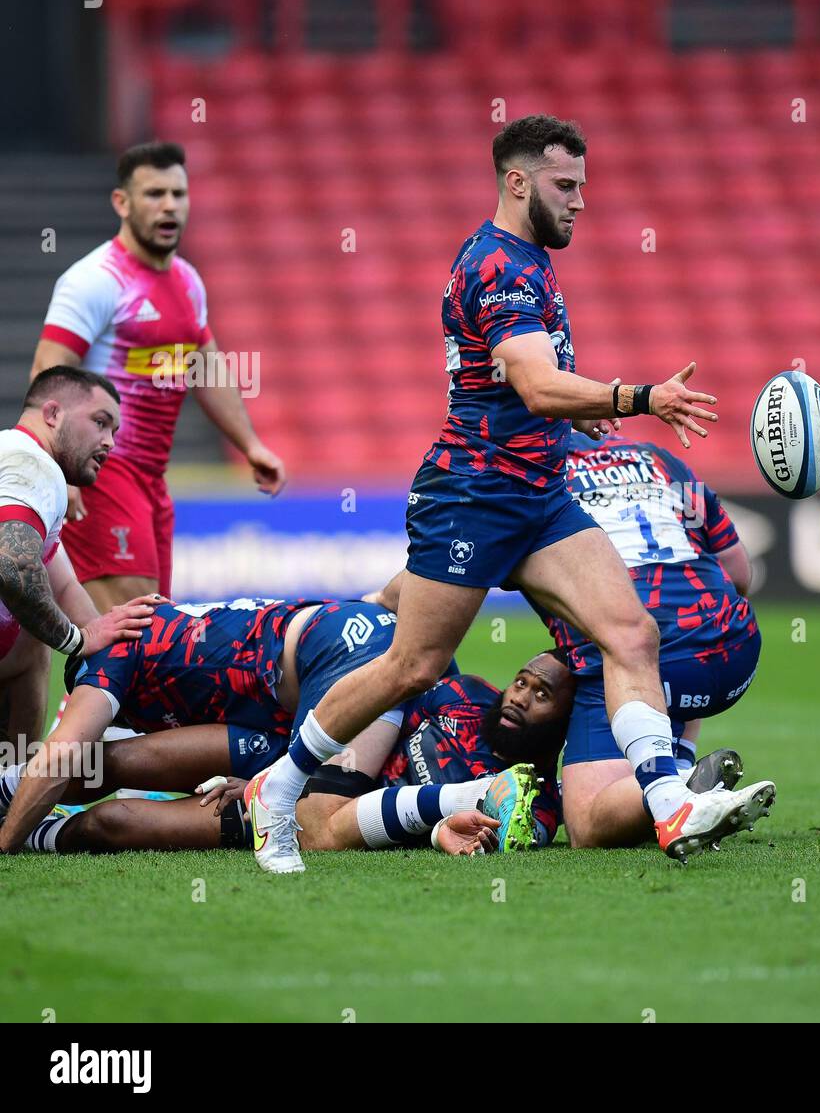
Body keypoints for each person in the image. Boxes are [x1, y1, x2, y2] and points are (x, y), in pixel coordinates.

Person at [244, 114, 774, 872]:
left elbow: (519, 385)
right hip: (474, 496)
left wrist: (575, 417)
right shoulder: (500, 264)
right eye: (566, 186)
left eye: (583, 186)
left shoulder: (529, 258)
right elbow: (533, 382)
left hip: (540, 494)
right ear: (518, 183)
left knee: (630, 634)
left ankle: (669, 803)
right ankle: (279, 788)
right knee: (412, 666)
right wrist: (638, 398)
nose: (580, 200)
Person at [371, 432, 765, 849]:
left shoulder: (524, 471)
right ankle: (678, 757)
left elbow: (449, 571)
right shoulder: (659, 459)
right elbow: (739, 574)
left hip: (636, 649)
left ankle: (681, 784)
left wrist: (377, 602)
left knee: (587, 821)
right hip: (736, 645)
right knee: (673, 633)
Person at [32, 140, 285, 607]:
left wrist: (250, 444)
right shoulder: (95, 280)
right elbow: (47, 372)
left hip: (152, 479)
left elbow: (206, 368)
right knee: (133, 626)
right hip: (101, 471)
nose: (169, 205)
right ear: (121, 203)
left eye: (178, 194)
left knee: (148, 630)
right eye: (154, 194)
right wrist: (60, 469)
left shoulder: (187, 281)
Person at [0, 597, 451, 851]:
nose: (127, 722)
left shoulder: (107, 661)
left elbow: (63, 752)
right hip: (313, 672)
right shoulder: (174, 652)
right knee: (119, 770)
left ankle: (458, 801)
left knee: (313, 825)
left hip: (341, 653)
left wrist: (6, 843)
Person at [16, 654, 574, 858]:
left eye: (541, 695)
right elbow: (375, 698)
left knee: (112, 823)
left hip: (301, 817)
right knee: (120, 759)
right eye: (522, 681)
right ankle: (8, 790)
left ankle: (35, 838)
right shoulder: (464, 694)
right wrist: (283, 770)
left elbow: (480, 836)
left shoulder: (536, 803)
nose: (520, 697)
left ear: (567, 721)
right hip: (289, 754)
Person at [0, 367, 157, 757]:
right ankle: (16, 781)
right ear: (53, 414)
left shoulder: (18, 458)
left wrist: (105, 636)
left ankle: (13, 780)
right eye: (100, 423)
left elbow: (64, 584)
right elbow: (13, 566)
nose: (109, 442)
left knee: (30, 641)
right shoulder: (32, 464)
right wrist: (76, 640)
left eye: (114, 431)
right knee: (35, 633)